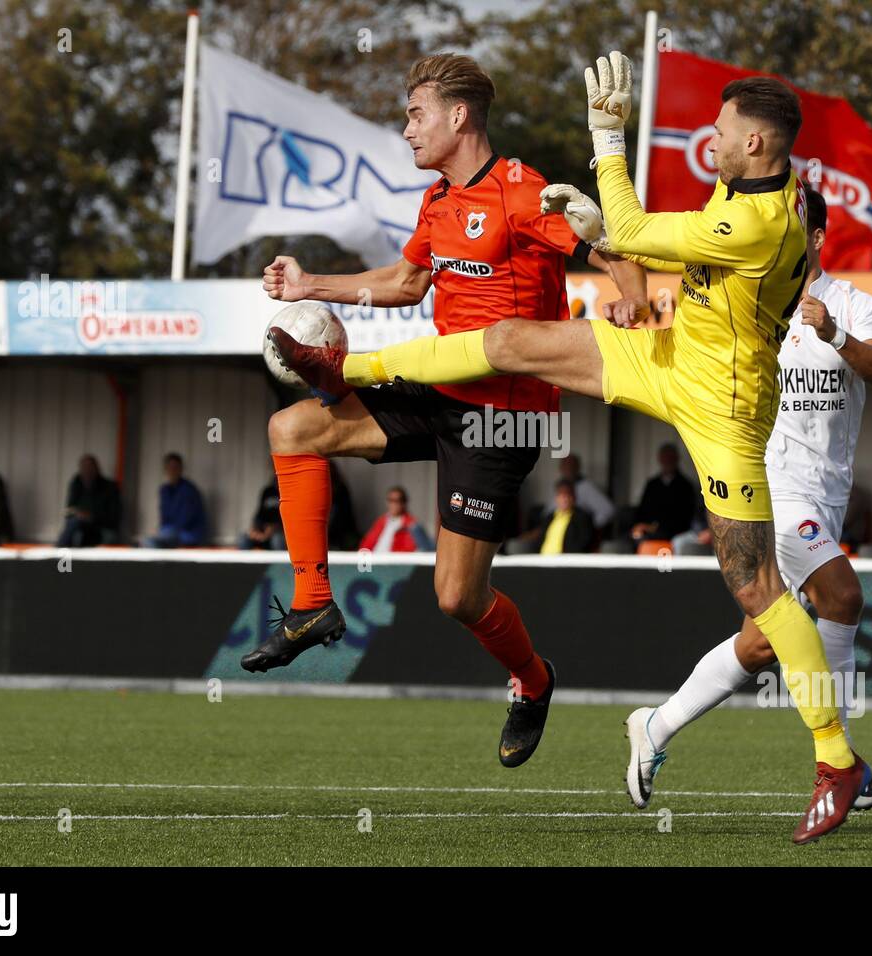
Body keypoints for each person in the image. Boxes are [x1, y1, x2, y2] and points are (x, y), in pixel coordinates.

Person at [280, 56, 866, 841]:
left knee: (758, 591)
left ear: (757, 142)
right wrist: (621, 257)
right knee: (510, 339)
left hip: (723, 407)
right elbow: (665, 254)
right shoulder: (760, 186)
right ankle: (344, 368)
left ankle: (836, 758)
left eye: (721, 131)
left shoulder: (756, 219)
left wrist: (606, 141)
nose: (709, 139)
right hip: (670, 356)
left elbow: (634, 232)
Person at [242, 52, 649, 770]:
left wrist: (630, 292)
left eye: (415, 113)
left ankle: (533, 679)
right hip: (439, 390)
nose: (406, 129)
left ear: (458, 116)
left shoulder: (521, 192)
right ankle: (311, 603)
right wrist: (311, 282)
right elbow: (405, 282)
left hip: (507, 416)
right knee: (292, 427)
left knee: (457, 597)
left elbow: (606, 240)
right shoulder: (437, 201)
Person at [625, 185, 872, 816]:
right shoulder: (751, 298)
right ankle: (840, 763)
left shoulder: (851, 304)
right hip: (769, 483)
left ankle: (654, 727)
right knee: (842, 595)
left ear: (818, 240)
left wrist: (834, 336)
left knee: (760, 644)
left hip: (824, 495)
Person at [629, 442, 696, 543]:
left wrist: (654, 527)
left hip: (674, 534)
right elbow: (642, 511)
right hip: (649, 532)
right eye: (665, 457)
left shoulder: (685, 486)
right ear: (660, 459)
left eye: (670, 458)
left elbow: (684, 517)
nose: (668, 461)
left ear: (676, 459)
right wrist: (639, 526)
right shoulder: (652, 484)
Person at [142, 453, 207, 548]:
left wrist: (166, 532)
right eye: (169, 468)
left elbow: (185, 520)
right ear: (165, 469)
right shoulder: (164, 490)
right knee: (149, 541)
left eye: (175, 468)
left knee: (156, 541)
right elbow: (164, 518)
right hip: (171, 534)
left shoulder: (189, 490)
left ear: (181, 469)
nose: (172, 471)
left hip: (189, 534)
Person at [56, 454, 122, 548]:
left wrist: (91, 517)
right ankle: (61, 552)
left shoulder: (110, 487)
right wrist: (79, 515)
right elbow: (69, 510)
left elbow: (113, 519)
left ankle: (59, 551)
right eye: (84, 468)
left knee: (78, 527)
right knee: (74, 523)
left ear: (96, 469)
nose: (86, 471)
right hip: (82, 526)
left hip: (102, 527)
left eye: (89, 467)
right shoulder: (77, 483)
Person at [515, 479, 595, 554]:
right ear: (556, 497)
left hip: (565, 562)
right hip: (542, 560)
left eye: (568, 494)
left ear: (574, 497)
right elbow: (540, 539)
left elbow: (584, 543)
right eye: (561, 495)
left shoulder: (582, 518)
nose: (565, 499)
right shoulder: (549, 517)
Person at [359, 486, 434, 553]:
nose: (394, 504)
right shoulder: (381, 521)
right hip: (373, 562)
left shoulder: (413, 526)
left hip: (393, 563)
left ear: (404, 503)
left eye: (397, 500)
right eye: (390, 500)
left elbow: (423, 549)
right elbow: (366, 544)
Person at [557, 453, 615, 532]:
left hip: (574, 533)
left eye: (570, 466)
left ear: (577, 467)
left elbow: (609, 510)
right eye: (564, 465)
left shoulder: (586, 487)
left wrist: (588, 527)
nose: (567, 469)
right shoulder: (560, 486)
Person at [239, 475, 284, 551]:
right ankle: (246, 562)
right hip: (262, 531)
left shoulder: (287, 492)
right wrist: (255, 529)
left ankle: (277, 563)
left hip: (278, 531)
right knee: (243, 538)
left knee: (277, 540)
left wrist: (272, 529)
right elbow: (259, 513)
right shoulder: (267, 491)